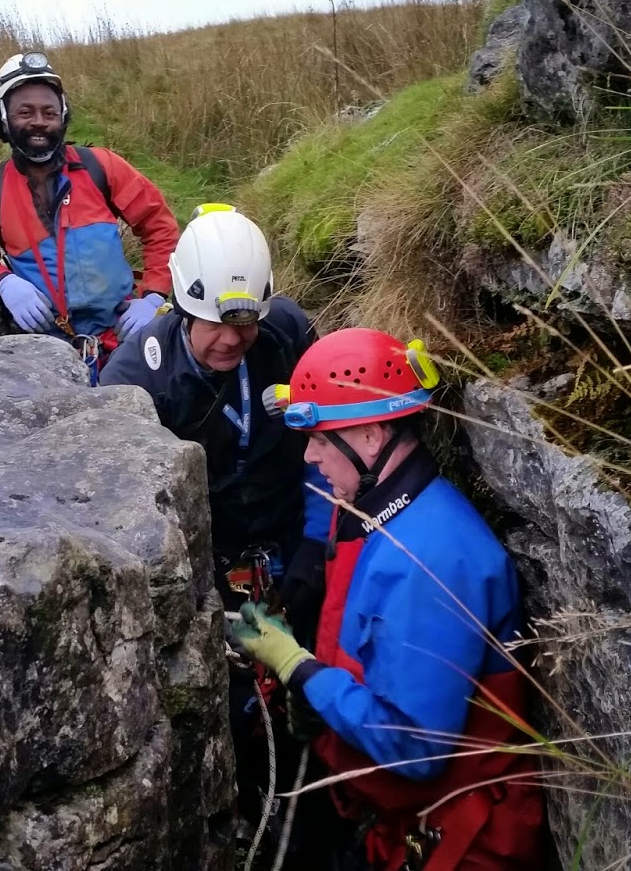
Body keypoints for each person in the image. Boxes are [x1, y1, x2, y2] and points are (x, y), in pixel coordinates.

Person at [230, 328, 547, 870]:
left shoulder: (431, 560)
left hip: (454, 841)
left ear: (372, 435)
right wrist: (320, 706)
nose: (310, 456)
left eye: (322, 439)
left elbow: (416, 749)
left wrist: (301, 672)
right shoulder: (385, 517)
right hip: (401, 820)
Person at [100, 204, 339, 864]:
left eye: (246, 324)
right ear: (179, 305)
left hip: (290, 542)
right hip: (201, 557)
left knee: (309, 685)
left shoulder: (286, 334)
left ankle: (310, 804)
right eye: (217, 327)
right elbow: (120, 500)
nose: (234, 342)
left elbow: (331, 442)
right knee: (231, 704)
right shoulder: (137, 374)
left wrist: (316, 546)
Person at [0, 51, 180, 382]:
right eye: (24, 112)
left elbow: (160, 228)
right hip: (45, 350)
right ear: (3, 118)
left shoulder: (101, 166)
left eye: (49, 111)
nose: (39, 122)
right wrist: (5, 283)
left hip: (125, 335)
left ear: (63, 114)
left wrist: (153, 297)